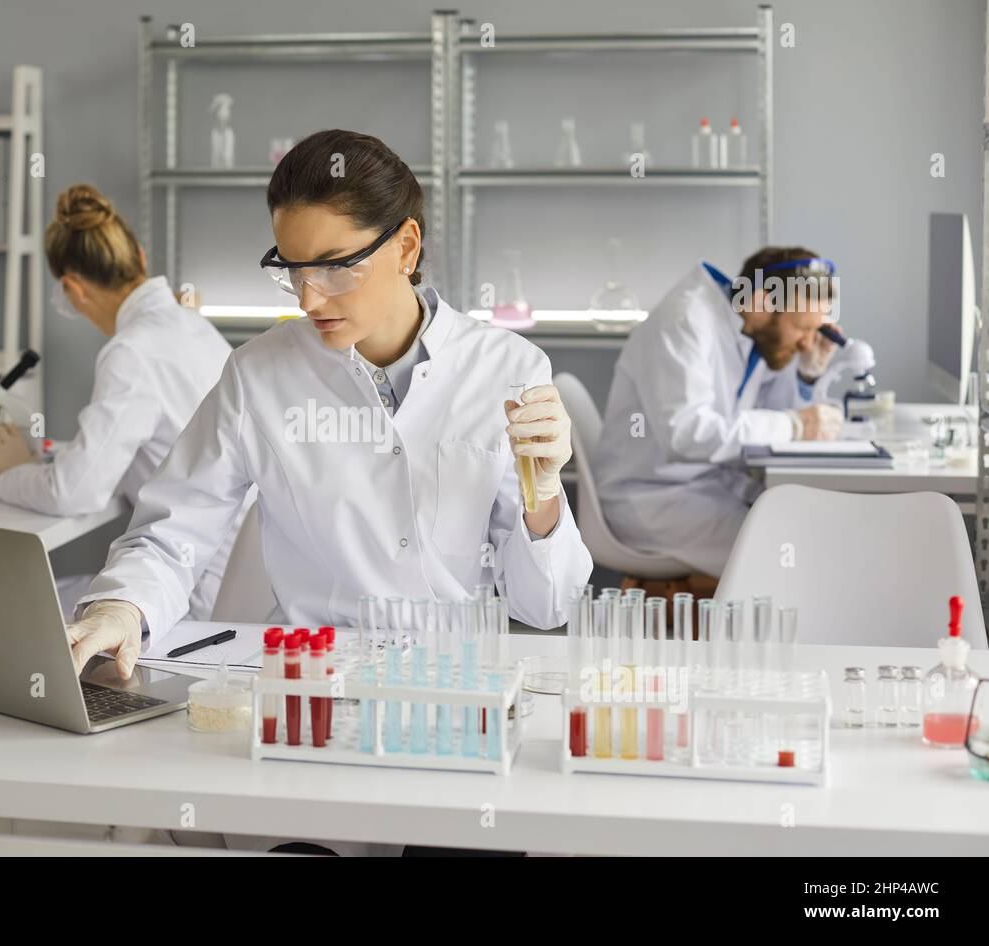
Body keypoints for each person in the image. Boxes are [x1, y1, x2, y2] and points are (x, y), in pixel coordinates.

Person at [64, 127, 592, 682]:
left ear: (405, 248)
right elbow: (172, 533)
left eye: (335, 265)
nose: (310, 298)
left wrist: (546, 492)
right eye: (293, 269)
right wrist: (121, 609)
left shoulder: (506, 369)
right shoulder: (258, 375)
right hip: (309, 686)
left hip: (453, 687)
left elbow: (546, 606)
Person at [0, 183, 237, 621]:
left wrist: (11, 471)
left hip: (195, 589)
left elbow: (76, 491)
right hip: (231, 571)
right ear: (139, 254)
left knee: (8, 609)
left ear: (74, 289)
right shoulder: (191, 326)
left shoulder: (131, 351)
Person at [595, 248, 864, 578]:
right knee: (794, 560)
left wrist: (808, 375)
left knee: (815, 531)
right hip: (655, 497)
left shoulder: (753, 328)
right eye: (802, 328)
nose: (808, 343)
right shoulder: (685, 322)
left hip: (710, 485)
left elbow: (768, 415)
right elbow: (687, 435)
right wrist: (795, 425)